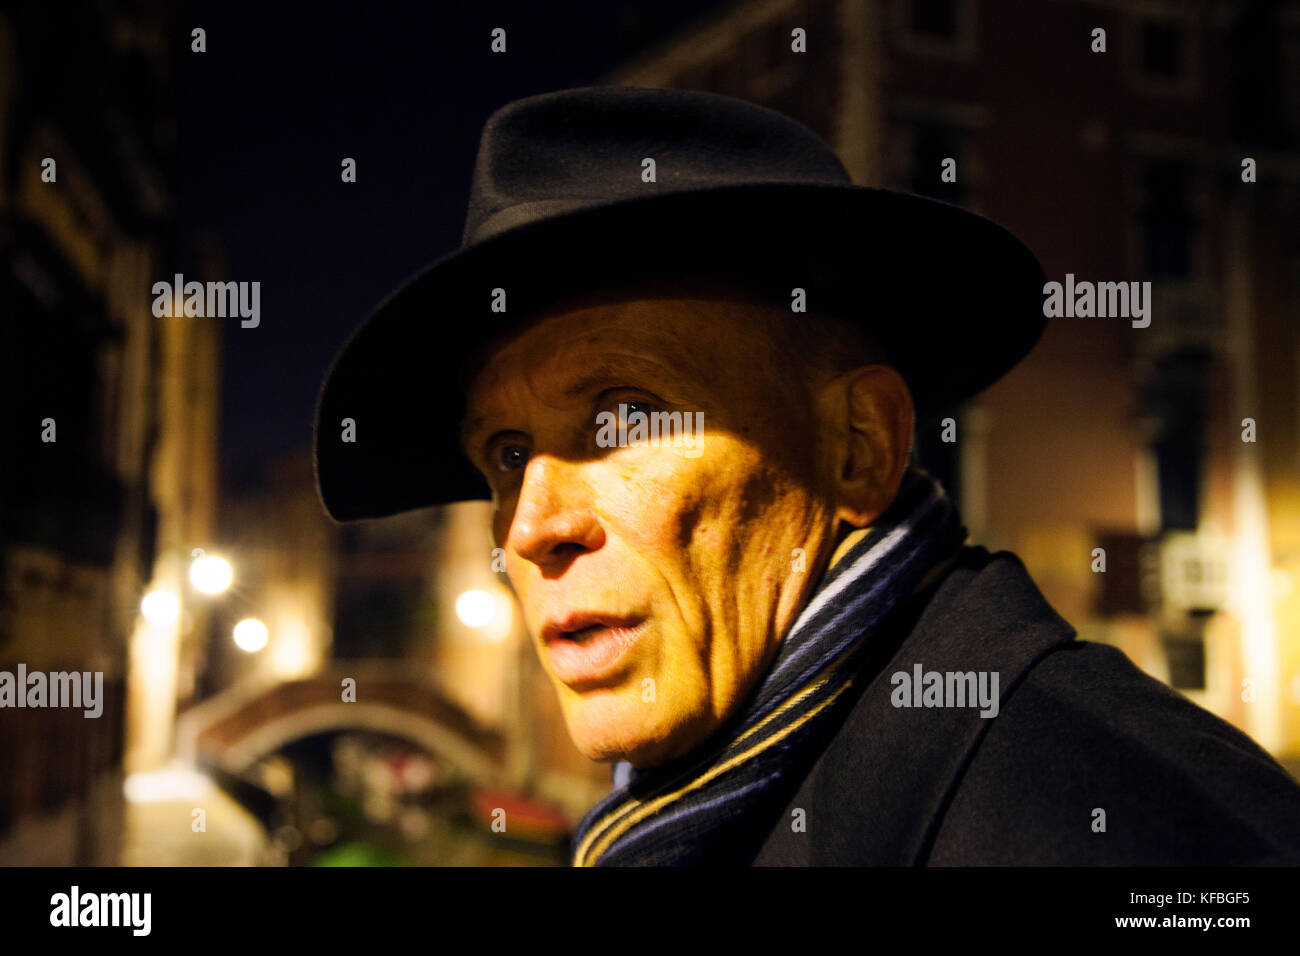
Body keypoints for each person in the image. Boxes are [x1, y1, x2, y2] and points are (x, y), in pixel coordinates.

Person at [313, 85, 1300, 865]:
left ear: (857, 445)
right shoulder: (704, 804)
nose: (529, 528)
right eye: (510, 453)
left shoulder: (1133, 827)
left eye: (623, 416)